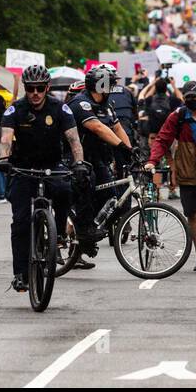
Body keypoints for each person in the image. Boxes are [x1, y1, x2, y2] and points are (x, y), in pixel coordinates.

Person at [0, 64, 82, 292]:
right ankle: (20, 274)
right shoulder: (15, 110)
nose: (35, 93)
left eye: (40, 88)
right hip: (23, 169)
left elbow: (74, 140)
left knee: (65, 190)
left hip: (51, 166)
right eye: (31, 88)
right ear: (25, 88)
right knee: (21, 222)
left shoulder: (60, 109)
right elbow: (6, 139)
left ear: (47, 88)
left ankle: (61, 231)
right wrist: (3, 159)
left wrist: (80, 163)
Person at [147, 80, 196, 271]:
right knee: (192, 215)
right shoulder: (177, 117)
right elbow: (162, 140)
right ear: (183, 98)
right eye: (189, 97)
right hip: (186, 174)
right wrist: (153, 161)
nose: (193, 100)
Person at [67, 64, 135, 262]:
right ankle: (83, 230)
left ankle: (91, 232)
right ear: (100, 86)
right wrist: (121, 146)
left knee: (112, 198)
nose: (112, 88)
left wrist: (130, 151)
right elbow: (97, 127)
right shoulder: (81, 103)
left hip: (97, 158)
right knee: (88, 189)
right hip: (78, 159)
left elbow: (117, 128)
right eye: (109, 85)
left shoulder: (107, 105)